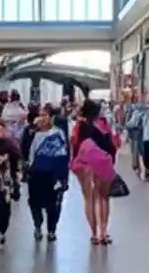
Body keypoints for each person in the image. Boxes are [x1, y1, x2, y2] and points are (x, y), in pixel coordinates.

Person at [71, 99, 118, 245]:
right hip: (103, 161)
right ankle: (103, 232)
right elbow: (113, 143)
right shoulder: (103, 124)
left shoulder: (79, 126)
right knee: (103, 197)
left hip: (83, 162)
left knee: (89, 198)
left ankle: (94, 233)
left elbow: (73, 143)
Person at [25, 106, 69, 242]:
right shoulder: (32, 132)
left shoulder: (59, 133)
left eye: (45, 115)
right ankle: (38, 226)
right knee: (35, 202)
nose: (42, 118)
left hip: (54, 173)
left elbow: (65, 153)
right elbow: (24, 149)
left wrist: (64, 177)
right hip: (36, 173)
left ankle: (51, 229)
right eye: (40, 115)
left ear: (51, 118)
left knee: (54, 204)